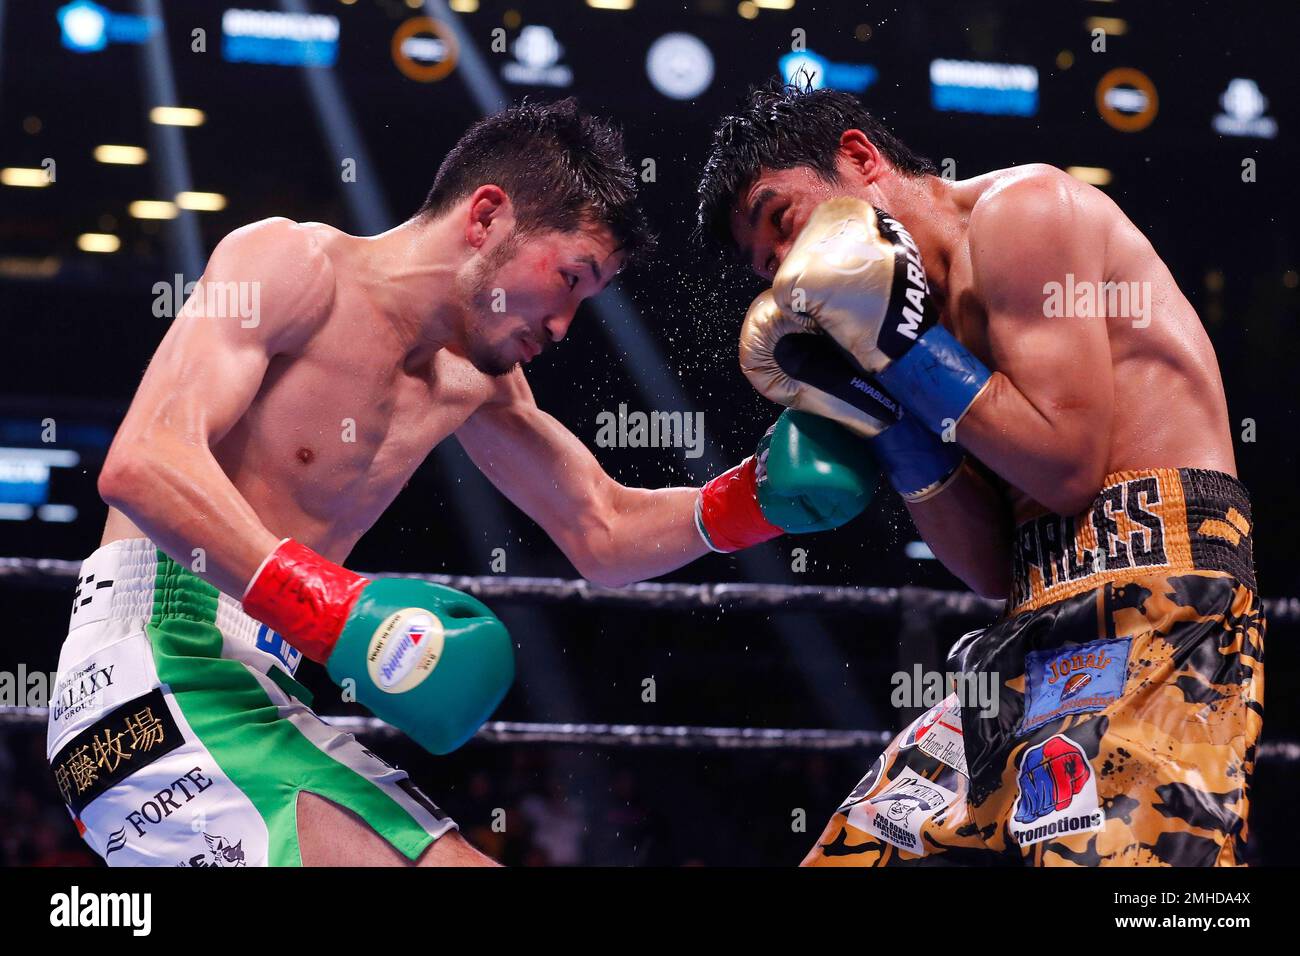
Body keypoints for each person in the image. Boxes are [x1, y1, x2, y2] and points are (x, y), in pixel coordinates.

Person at [46, 98, 880, 867]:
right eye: (569, 279)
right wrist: (326, 606)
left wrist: (753, 498)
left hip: (253, 687)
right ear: (487, 217)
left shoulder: (474, 380)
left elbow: (603, 531)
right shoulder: (292, 266)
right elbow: (144, 461)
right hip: (158, 660)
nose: (561, 325)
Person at [698, 82, 1263, 866]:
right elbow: (993, 569)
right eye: (770, 268)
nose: (791, 270)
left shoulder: (1023, 210)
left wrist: (898, 357)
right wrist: (887, 415)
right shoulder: (896, 329)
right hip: (1027, 628)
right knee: (858, 850)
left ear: (860, 158)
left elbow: (1066, 469)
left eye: (784, 223)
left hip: (1162, 599)